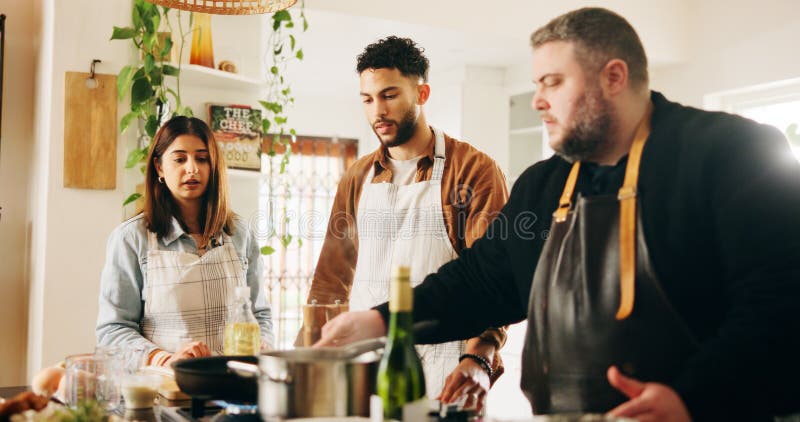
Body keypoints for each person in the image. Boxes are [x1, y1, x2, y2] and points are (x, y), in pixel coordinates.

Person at [315, 8, 800, 421]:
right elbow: (481, 282)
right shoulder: (544, 186)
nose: (538, 101)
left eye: (553, 82)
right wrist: (380, 321)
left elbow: (780, 307)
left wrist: (692, 399)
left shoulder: (733, 153)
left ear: (614, 77)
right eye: (536, 84)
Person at [304, 36, 510, 408]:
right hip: (365, 369)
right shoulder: (358, 176)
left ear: (422, 93)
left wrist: (479, 358)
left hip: (447, 371)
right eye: (368, 99)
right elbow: (331, 280)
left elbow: (494, 280)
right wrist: (310, 360)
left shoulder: (473, 171)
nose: (377, 111)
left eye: (389, 95)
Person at [96, 116, 273, 366]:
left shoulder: (240, 234)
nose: (192, 169)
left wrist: (262, 343)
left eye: (202, 159)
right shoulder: (131, 238)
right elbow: (113, 330)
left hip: (233, 381)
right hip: (165, 383)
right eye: (180, 159)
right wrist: (165, 359)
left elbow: (260, 314)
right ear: (159, 167)